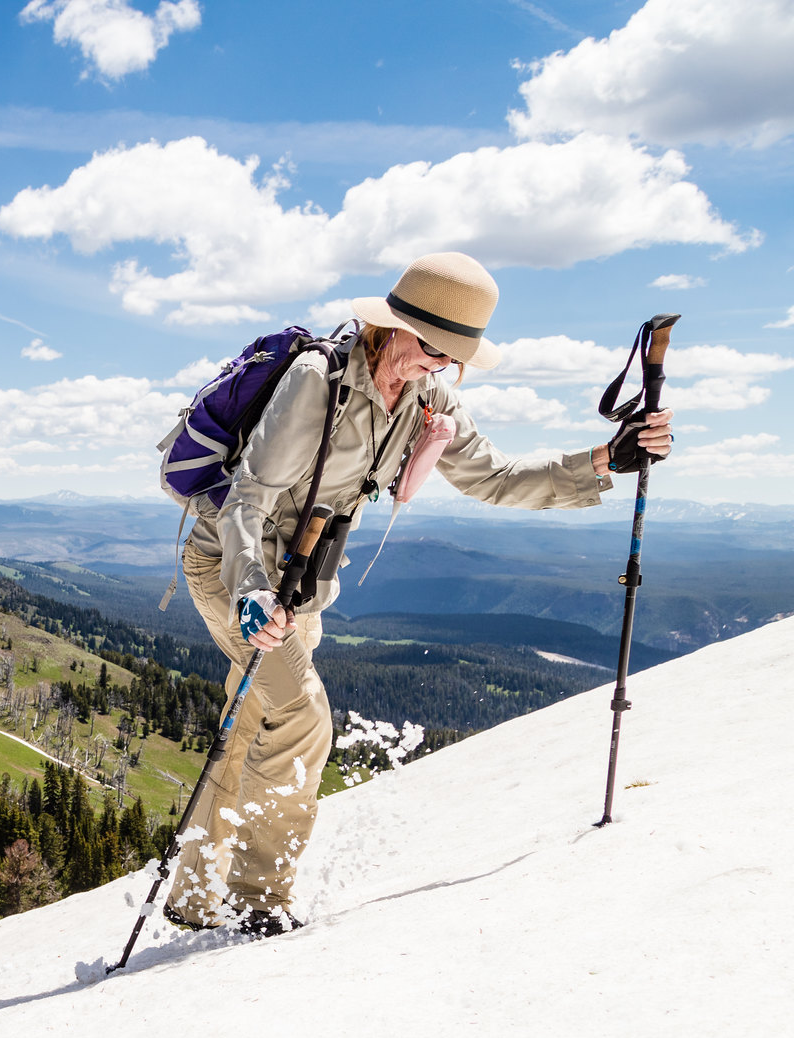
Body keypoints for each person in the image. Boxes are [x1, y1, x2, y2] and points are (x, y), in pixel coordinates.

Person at [173, 252, 674, 935]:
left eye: (452, 357)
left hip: (301, 586)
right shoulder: (317, 382)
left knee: (253, 722)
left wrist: (604, 460)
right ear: (391, 327)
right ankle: (256, 901)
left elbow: (495, 477)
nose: (437, 365)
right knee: (301, 717)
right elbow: (248, 500)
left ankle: (194, 895)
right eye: (431, 347)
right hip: (232, 570)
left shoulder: (429, 402)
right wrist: (252, 592)